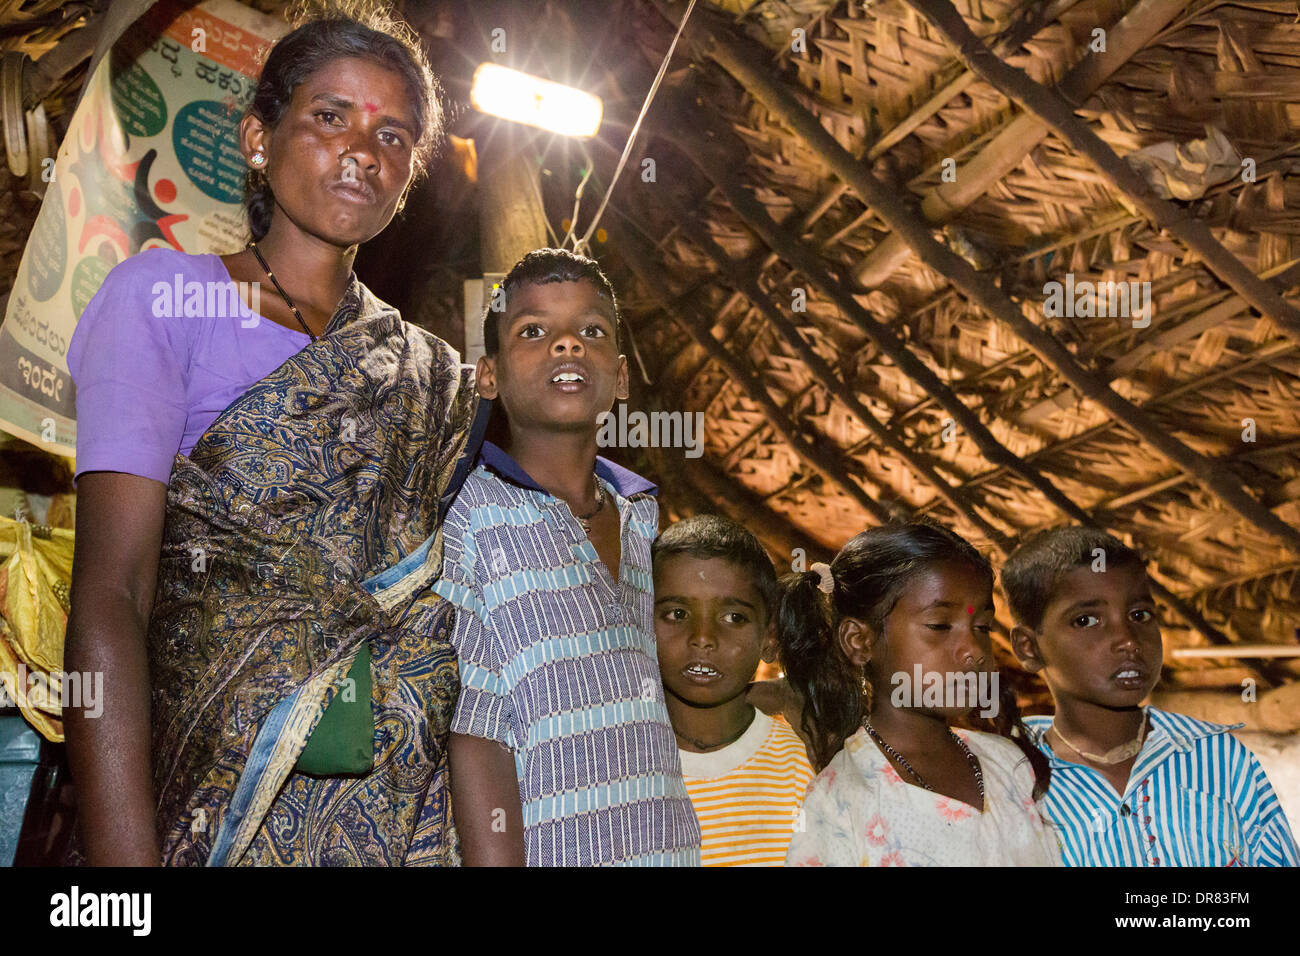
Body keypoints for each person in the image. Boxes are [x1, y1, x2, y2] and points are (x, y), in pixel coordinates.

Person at [64, 10, 485, 866]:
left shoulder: (429, 373)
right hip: (198, 805)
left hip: (386, 815)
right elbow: (113, 593)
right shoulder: (162, 298)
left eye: (393, 134)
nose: (362, 149)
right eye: (331, 115)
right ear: (258, 138)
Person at [435, 248, 700, 866]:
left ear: (623, 375)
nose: (567, 346)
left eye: (592, 331)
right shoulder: (472, 517)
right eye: (534, 331)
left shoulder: (641, 517)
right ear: (490, 376)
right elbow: (477, 738)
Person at [1003, 526, 1299, 866]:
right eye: (1086, 620)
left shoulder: (1219, 759)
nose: (1128, 639)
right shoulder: (1012, 779)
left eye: (1139, 615)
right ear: (1029, 648)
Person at [781, 521, 1060, 866]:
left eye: (982, 626)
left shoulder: (1010, 764)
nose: (972, 649)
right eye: (940, 626)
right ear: (859, 641)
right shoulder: (837, 804)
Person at [653, 514, 813, 866]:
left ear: (771, 637)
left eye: (734, 618)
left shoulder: (807, 766)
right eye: (677, 614)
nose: (703, 639)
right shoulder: (609, 764)